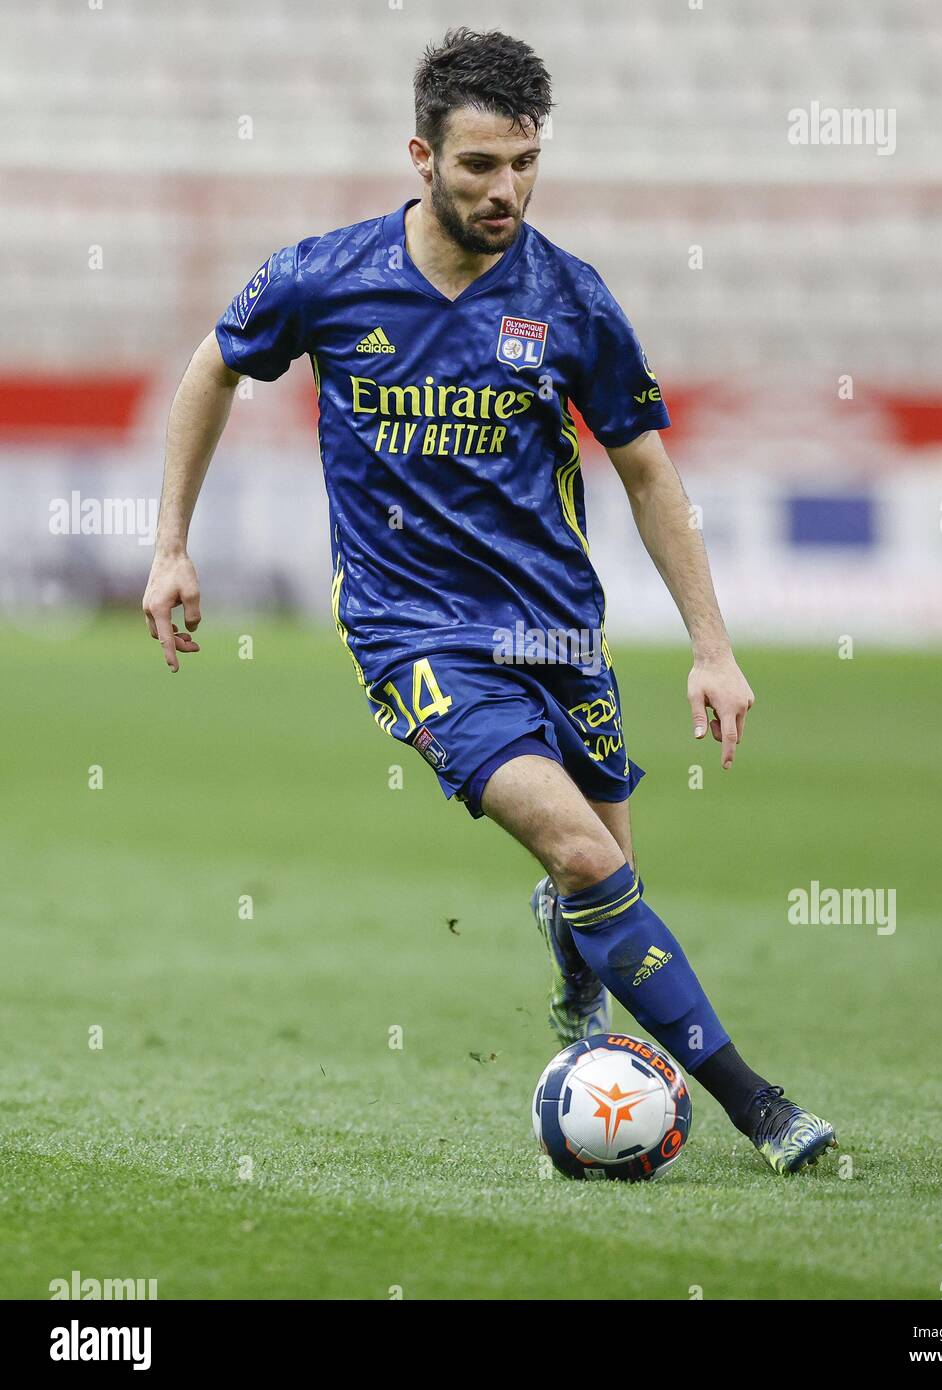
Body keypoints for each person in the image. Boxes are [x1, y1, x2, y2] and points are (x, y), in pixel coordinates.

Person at [142, 27, 836, 1174]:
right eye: (477, 166)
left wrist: (711, 647)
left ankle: (572, 947)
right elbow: (214, 365)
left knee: (605, 873)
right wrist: (170, 544)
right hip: (412, 633)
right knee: (581, 855)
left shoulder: (570, 299)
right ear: (420, 155)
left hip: (559, 629)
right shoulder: (325, 275)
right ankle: (757, 1105)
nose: (504, 188)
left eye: (523, 163)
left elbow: (647, 468)